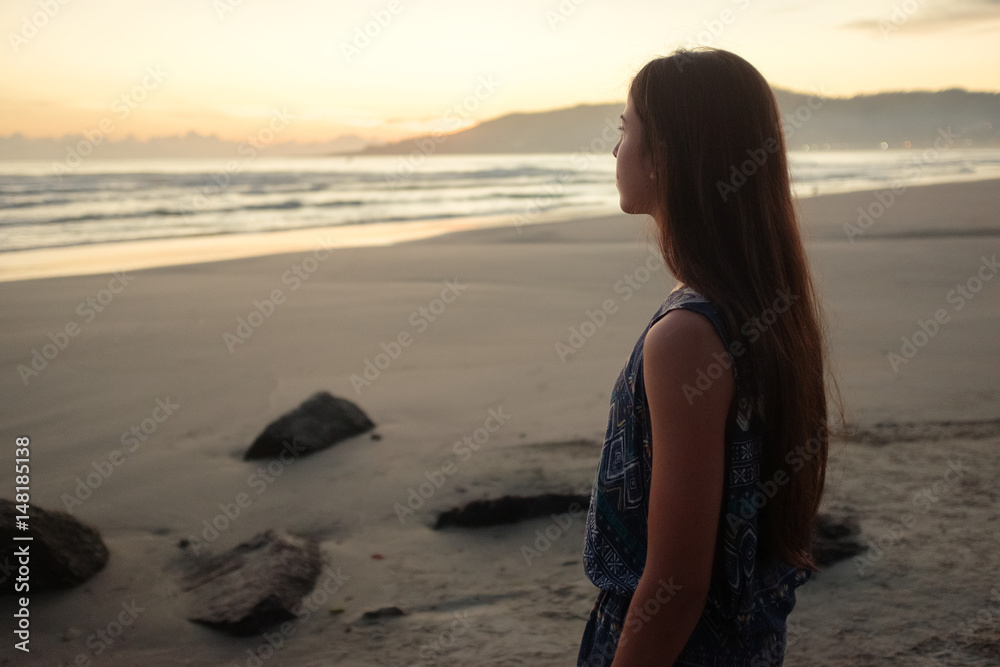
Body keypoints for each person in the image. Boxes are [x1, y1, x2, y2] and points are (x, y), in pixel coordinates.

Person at [576, 47, 845, 666]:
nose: (615, 151)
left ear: (668, 153)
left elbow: (675, 588)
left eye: (625, 129)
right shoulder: (762, 303)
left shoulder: (687, 335)